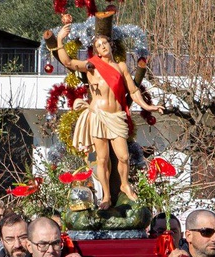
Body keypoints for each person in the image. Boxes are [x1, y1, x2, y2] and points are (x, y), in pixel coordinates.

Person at [54, 18, 162, 208]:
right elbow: (68, 62)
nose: (103, 46)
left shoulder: (121, 66)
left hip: (117, 116)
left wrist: (147, 107)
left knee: (124, 156)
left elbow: (133, 91)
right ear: (96, 51)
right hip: (98, 116)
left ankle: (124, 184)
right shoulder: (92, 65)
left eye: (105, 43)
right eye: (98, 45)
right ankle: (106, 196)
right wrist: (59, 40)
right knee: (102, 159)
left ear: (111, 45)